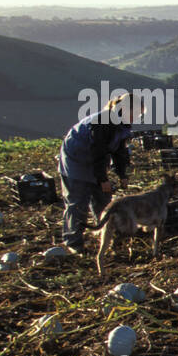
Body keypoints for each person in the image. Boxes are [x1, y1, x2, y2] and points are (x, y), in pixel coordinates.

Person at [57, 93, 144, 254]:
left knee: (103, 200)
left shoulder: (123, 125)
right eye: (136, 113)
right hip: (76, 159)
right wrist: (102, 178)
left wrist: (122, 175)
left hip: (94, 160)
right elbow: (97, 151)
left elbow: (119, 151)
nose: (137, 117)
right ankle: (74, 243)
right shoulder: (102, 122)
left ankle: (106, 234)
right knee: (78, 202)